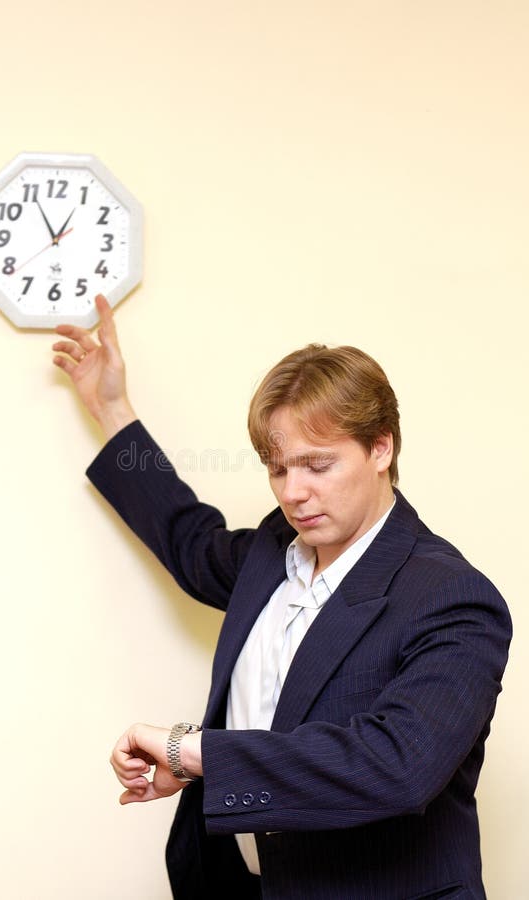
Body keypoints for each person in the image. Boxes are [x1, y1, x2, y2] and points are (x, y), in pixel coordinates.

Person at [53, 294, 512, 900]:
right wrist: (111, 407)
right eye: (277, 469)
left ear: (381, 448)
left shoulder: (454, 597)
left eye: (317, 466)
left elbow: (397, 764)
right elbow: (190, 543)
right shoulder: (274, 550)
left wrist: (195, 753)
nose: (293, 493)